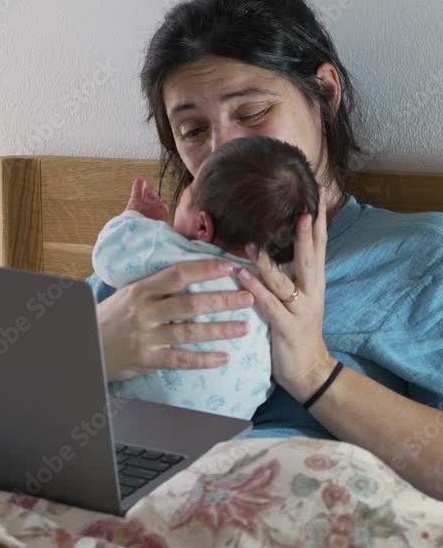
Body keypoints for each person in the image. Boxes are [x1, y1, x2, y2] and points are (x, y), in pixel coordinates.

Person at [87, 0, 443, 542]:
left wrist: (315, 373)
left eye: (253, 112)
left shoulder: (428, 260)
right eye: (193, 129)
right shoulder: (148, 261)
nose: (221, 149)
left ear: (325, 92)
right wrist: (90, 347)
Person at [93, 137, 318, 419]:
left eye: (188, 189)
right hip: (226, 424)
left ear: (202, 226)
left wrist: (135, 217)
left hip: (136, 418)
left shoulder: (168, 250)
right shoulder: (276, 288)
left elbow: (107, 256)